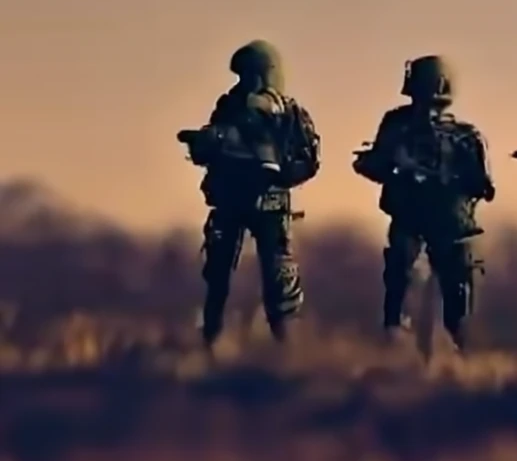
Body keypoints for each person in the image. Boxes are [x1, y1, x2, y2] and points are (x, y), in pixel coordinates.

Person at [178, 40, 320, 348]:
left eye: (250, 76)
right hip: (231, 198)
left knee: (280, 280)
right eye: (242, 77)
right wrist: (207, 145)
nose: (245, 85)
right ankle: (211, 340)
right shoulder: (229, 106)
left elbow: (308, 160)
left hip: (270, 202)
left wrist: (275, 172)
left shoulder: (290, 113)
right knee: (217, 275)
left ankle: (287, 347)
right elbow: (213, 144)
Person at [352, 55, 494, 350]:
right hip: (412, 216)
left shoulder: (465, 137)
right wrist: (393, 167)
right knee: (400, 284)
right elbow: (377, 164)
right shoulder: (399, 126)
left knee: (458, 302)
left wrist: (444, 179)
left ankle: (458, 355)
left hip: (450, 222)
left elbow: (481, 185)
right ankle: (399, 348)